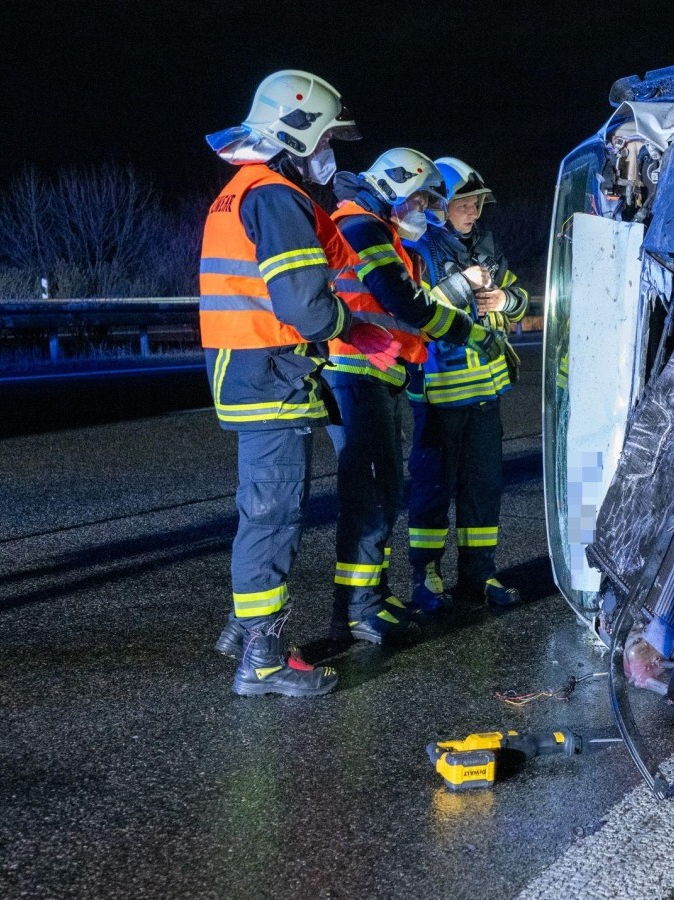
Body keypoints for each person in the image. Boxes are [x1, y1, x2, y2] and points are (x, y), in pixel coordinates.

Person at [199, 69, 378, 697]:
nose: (331, 149)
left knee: (263, 508)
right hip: (268, 373)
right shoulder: (274, 196)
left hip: (250, 371)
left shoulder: (243, 189)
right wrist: (350, 322)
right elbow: (303, 305)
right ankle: (264, 659)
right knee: (272, 516)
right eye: (326, 135)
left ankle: (239, 630)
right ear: (295, 133)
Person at [323, 148, 499, 643]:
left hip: (372, 373)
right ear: (396, 188)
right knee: (371, 495)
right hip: (357, 371)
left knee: (377, 492)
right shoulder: (363, 228)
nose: (422, 209)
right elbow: (405, 301)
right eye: (419, 199)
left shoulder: (372, 226)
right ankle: (358, 609)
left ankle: (368, 599)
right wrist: (470, 332)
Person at [405, 158, 529, 611]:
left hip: (485, 395)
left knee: (483, 488)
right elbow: (415, 311)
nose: (473, 211)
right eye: (464, 203)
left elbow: (518, 298)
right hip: (440, 396)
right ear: (440, 206)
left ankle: (480, 574)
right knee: (433, 488)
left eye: (477, 203)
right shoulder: (419, 248)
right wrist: (461, 283)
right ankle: (427, 577)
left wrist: (507, 298)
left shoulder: (486, 245)